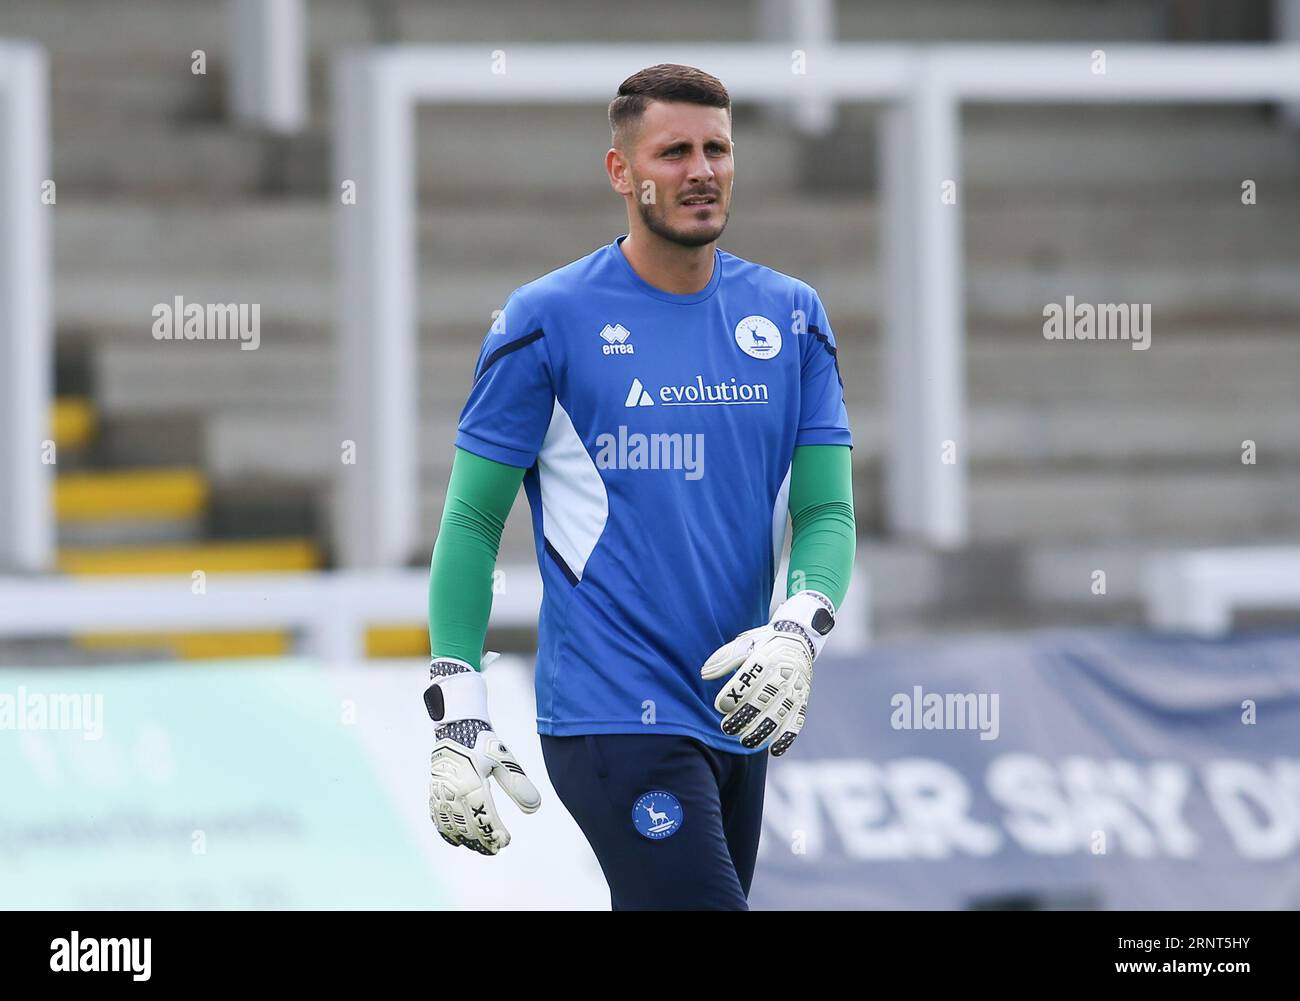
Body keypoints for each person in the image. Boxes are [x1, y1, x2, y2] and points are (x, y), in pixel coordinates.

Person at [423, 63, 855, 910]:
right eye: (674, 152)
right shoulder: (545, 319)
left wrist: (799, 631)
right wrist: (455, 711)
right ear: (622, 173)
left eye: (717, 149)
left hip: (740, 706)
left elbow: (827, 510)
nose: (701, 171)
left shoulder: (793, 315)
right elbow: (473, 521)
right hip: (610, 711)